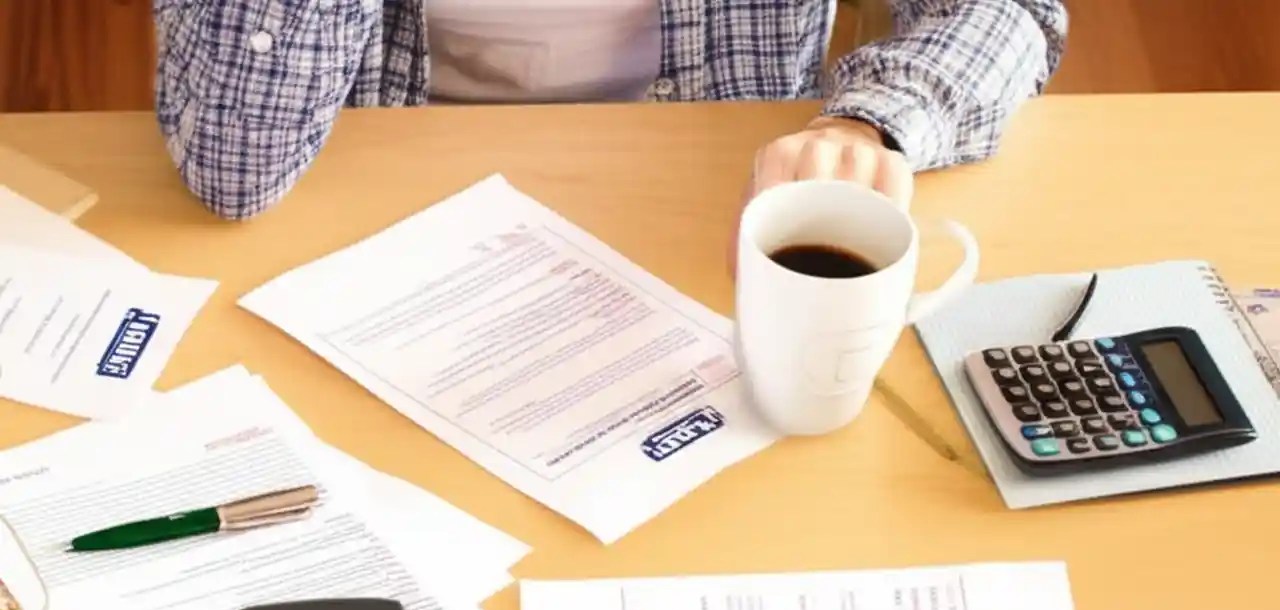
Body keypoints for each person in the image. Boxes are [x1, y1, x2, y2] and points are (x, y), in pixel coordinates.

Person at [153, 0, 1067, 220]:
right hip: (372, 192)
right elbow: (239, 174)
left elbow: (1010, 10)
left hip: (712, 199)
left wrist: (873, 121)